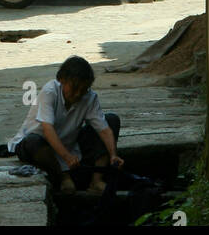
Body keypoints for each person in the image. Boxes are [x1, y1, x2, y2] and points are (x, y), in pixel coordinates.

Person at [9, 55, 123, 195]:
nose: (77, 94)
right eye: (74, 88)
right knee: (34, 142)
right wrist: (67, 157)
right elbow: (47, 129)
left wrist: (113, 155)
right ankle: (63, 177)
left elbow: (104, 129)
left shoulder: (89, 98)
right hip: (40, 145)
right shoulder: (50, 92)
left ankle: (96, 180)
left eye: (83, 90)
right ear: (61, 80)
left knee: (112, 120)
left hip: (70, 146)